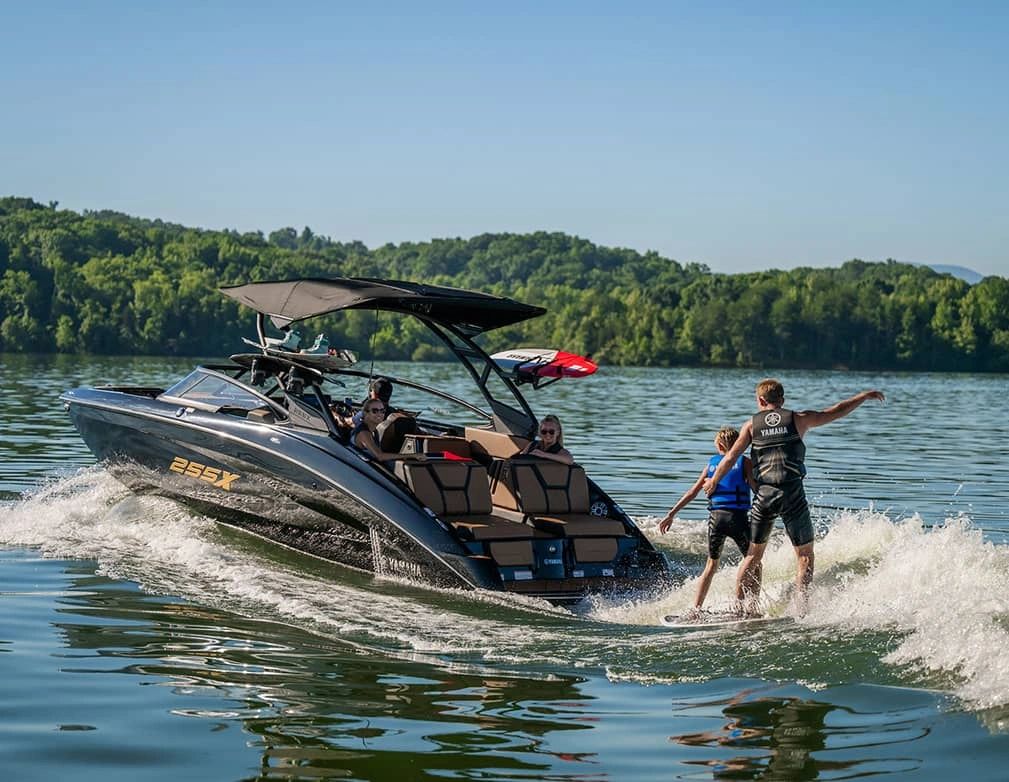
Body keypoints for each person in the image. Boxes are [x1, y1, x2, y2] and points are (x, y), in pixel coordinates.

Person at [705, 378, 885, 613]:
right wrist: (862, 396)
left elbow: (730, 458)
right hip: (792, 495)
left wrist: (714, 481)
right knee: (805, 556)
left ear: (761, 400)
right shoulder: (799, 419)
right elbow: (835, 411)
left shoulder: (751, 425)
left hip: (764, 495)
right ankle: (801, 609)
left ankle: (738, 608)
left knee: (752, 556)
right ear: (782, 400)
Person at [658, 426, 759, 616]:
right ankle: (750, 607)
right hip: (737, 519)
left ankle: (695, 610)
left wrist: (671, 514)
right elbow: (755, 488)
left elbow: (692, 492)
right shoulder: (744, 462)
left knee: (711, 566)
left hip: (716, 520)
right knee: (754, 562)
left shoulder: (711, 465)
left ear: (719, 445)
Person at [352, 400, 426, 463]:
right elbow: (380, 456)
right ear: (365, 413)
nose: (379, 414)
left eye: (382, 411)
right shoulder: (364, 433)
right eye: (375, 411)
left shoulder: (373, 430)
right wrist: (413, 455)